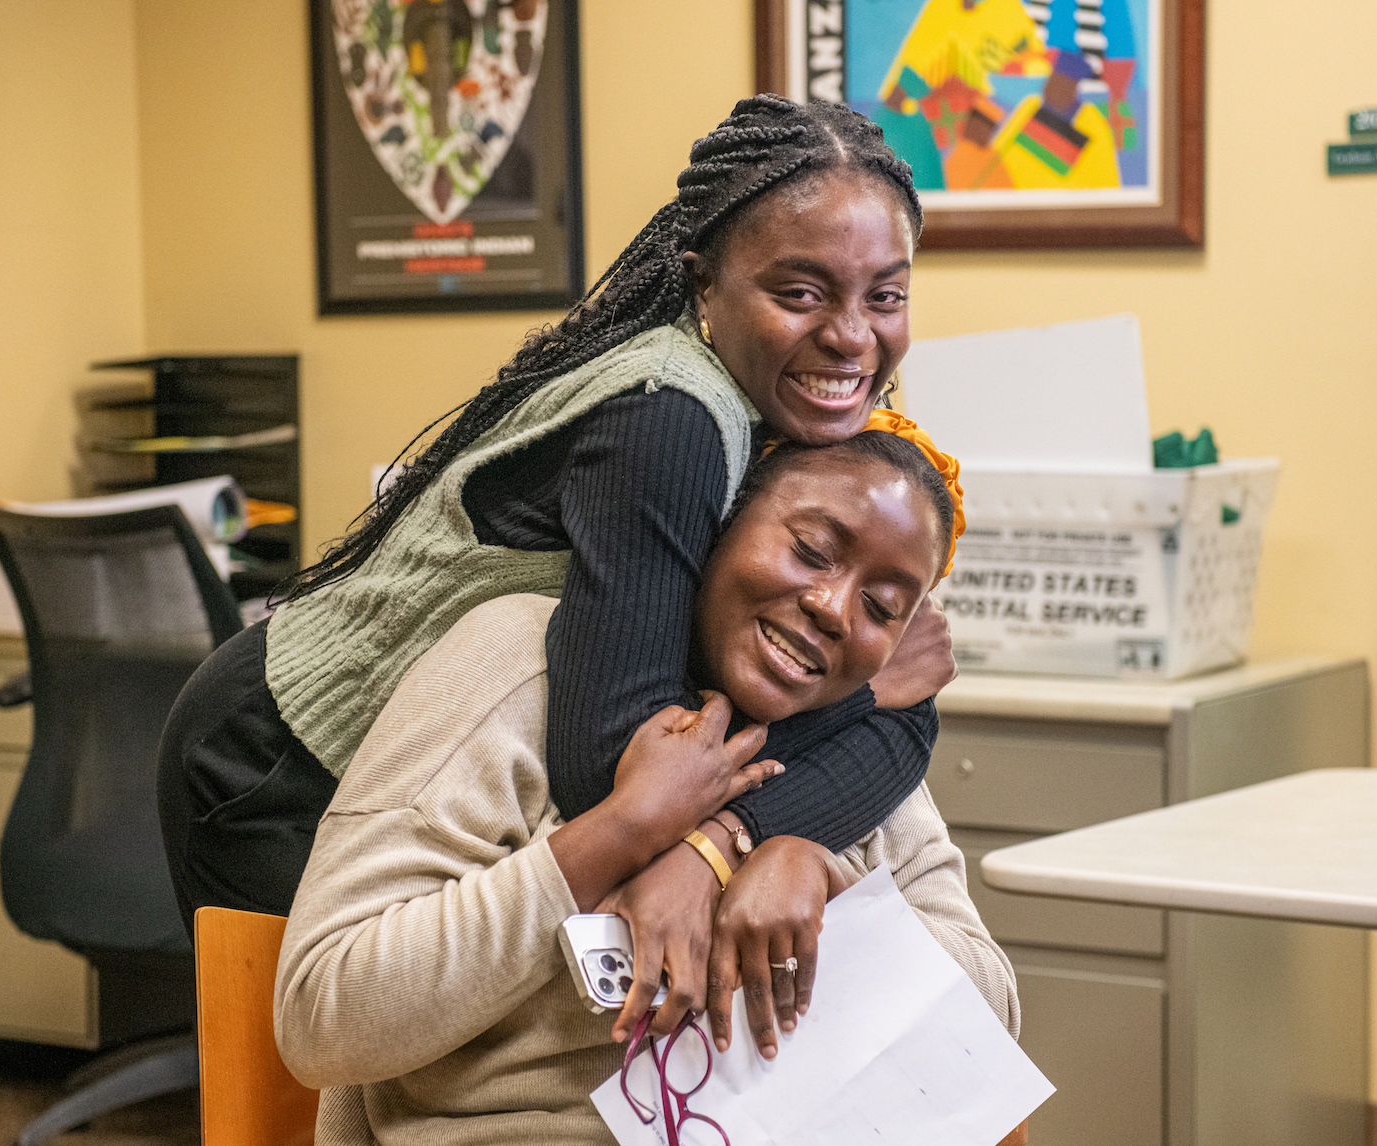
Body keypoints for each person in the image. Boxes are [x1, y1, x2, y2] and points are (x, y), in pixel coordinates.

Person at [158, 94, 955, 978]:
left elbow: (905, 726)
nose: (851, 336)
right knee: (293, 1099)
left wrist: (771, 816)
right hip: (274, 759)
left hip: (416, 768)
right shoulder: (670, 421)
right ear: (703, 284)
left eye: (886, 295)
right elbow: (619, 775)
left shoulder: (787, 419)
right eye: (799, 292)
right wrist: (863, 703)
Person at [275, 426, 1014, 1146]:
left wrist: (828, 880)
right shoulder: (515, 665)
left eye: (882, 608)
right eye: (811, 551)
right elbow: (324, 1015)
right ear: (714, 525)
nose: (832, 607)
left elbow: (994, 1012)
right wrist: (615, 836)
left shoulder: (855, 743)